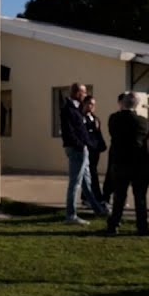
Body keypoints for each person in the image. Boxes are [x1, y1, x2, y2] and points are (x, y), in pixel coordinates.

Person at [60, 82, 107, 224]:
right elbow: (69, 132)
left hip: (82, 148)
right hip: (76, 150)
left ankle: (98, 209)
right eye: (84, 92)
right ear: (77, 93)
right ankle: (71, 215)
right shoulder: (68, 109)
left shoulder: (77, 108)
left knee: (87, 182)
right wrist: (81, 146)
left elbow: (82, 131)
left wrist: (89, 145)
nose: (85, 95)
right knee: (75, 183)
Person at [106, 92, 149, 236]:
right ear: (137, 104)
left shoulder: (114, 119)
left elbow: (112, 133)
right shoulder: (143, 122)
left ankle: (113, 225)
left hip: (120, 162)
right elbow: (146, 136)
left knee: (119, 197)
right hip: (138, 163)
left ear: (122, 103)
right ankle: (142, 226)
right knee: (140, 198)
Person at [82, 95, 108, 206]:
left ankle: (86, 197)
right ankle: (96, 197)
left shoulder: (95, 118)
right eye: (90, 104)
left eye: (93, 104)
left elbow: (98, 134)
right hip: (87, 149)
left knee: (91, 173)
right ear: (85, 104)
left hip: (95, 150)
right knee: (91, 174)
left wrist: (101, 145)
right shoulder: (81, 118)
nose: (92, 106)